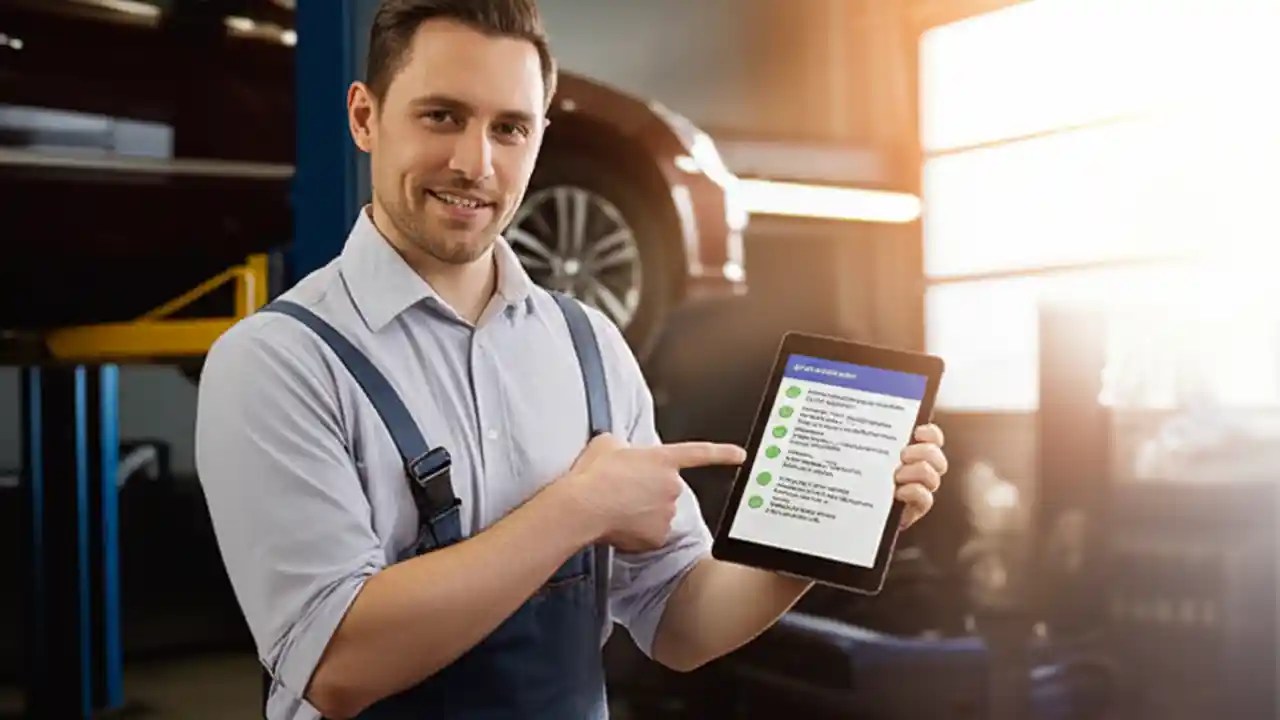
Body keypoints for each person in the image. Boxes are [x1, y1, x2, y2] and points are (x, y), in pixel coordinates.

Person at [193, 1, 949, 718]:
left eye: (510, 128)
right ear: (366, 116)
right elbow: (337, 668)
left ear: (539, 140)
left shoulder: (588, 346)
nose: (474, 163)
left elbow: (679, 622)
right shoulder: (276, 363)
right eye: (441, 116)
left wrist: (831, 526)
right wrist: (578, 509)